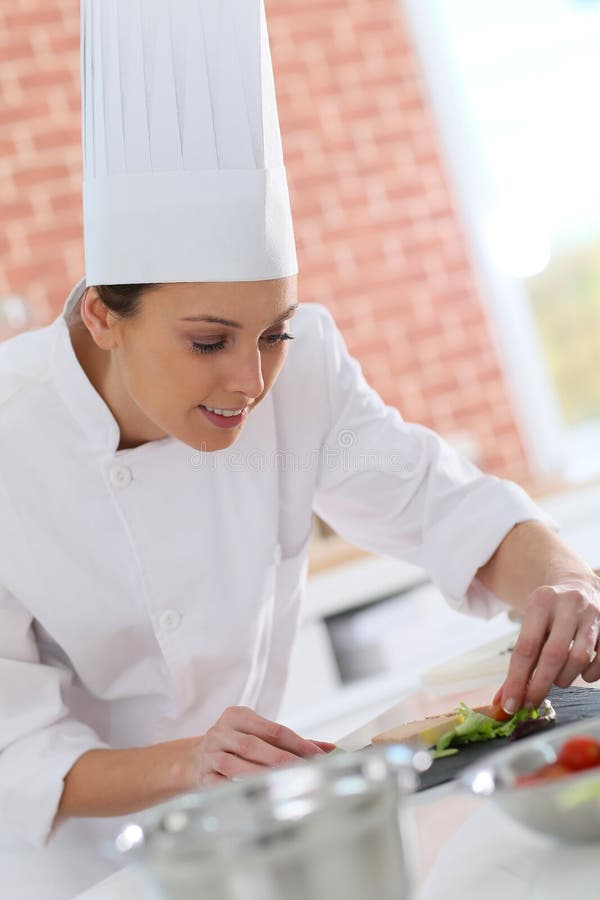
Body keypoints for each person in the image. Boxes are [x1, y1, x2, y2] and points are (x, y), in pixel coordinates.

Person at [1, 1, 599, 897]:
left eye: (273, 331)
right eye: (210, 342)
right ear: (102, 317)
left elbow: (443, 505)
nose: (252, 381)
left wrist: (567, 581)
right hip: (81, 873)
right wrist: (188, 762)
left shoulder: (304, 368)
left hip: (270, 834)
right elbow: (15, 747)